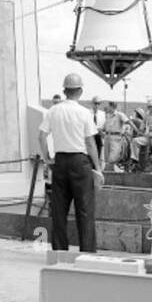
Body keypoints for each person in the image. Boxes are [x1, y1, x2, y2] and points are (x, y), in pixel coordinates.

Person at [37, 72, 103, 251]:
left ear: (64, 90)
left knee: (59, 209)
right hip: (79, 162)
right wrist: (97, 168)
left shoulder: (53, 110)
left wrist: (47, 158)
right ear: (80, 91)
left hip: (60, 162)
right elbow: (90, 142)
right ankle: (87, 251)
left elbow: (41, 136)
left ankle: (59, 250)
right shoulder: (84, 113)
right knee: (85, 209)